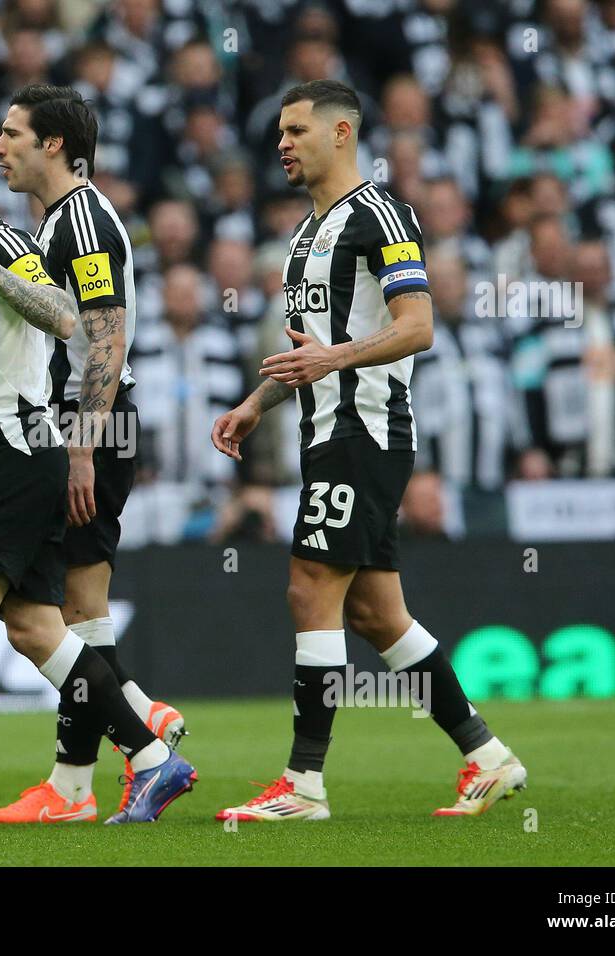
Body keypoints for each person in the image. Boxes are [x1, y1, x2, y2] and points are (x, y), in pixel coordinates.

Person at [210, 81, 527, 821]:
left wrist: (334, 359)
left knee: (309, 586)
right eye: (280, 133)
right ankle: (488, 756)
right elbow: (310, 352)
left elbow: (418, 326)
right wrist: (256, 404)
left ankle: (304, 785)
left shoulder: (381, 213)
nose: (282, 144)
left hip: (366, 430)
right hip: (326, 432)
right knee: (379, 616)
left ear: (342, 132)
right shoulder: (302, 236)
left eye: (296, 130)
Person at [0, 130, 196, 826]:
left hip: (11, 452)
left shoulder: (1, 240)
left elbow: (62, 316)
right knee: (31, 627)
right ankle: (151, 755)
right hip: (1, 455)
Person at [0, 83, 188, 825]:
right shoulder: (58, 220)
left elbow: (106, 334)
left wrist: (81, 448)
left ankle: (96, 769)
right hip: (70, 428)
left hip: (86, 429)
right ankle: (111, 742)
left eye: (11, 134)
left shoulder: (85, 220)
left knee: (49, 607)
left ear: (55, 145)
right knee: (71, 609)